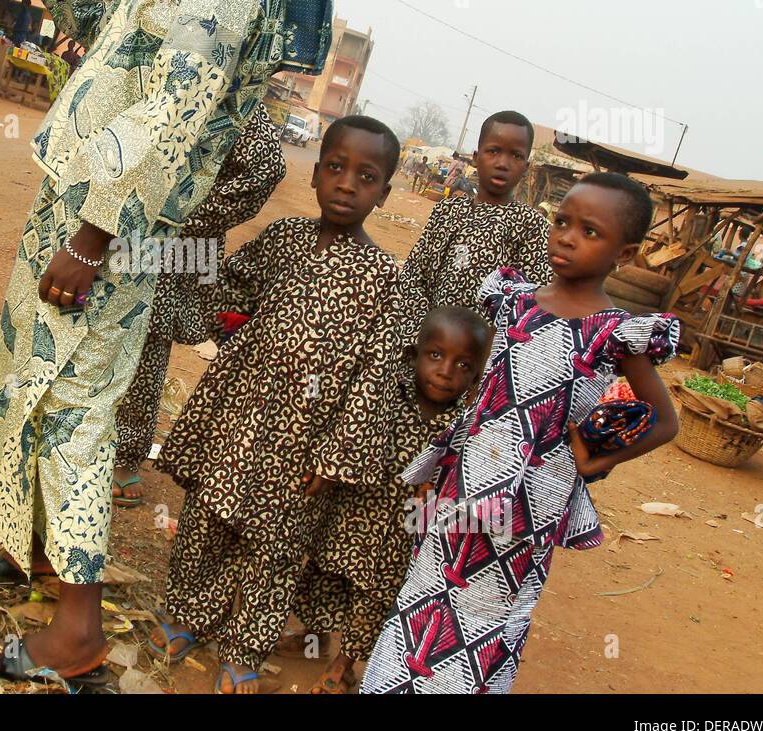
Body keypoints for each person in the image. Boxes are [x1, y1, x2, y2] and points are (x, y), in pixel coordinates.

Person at [0, 0, 337, 684]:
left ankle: (77, 631)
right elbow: (102, 41)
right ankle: (30, 553)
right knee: (36, 381)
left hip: (109, 227)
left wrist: (92, 239)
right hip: (79, 209)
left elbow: (164, 120)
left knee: (75, 413)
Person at [362, 172, 680, 693]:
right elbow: (483, 393)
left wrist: (598, 459)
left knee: (490, 623)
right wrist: (438, 464)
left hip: (531, 509)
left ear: (625, 254)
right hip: (463, 482)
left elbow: (664, 421)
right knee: (425, 598)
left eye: (590, 232)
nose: (567, 237)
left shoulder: (616, 331)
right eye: (562, 221)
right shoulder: (511, 298)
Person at [148, 116, 399, 694]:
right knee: (210, 514)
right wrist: (201, 298)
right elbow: (232, 285)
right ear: (316, 174)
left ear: (383, 193)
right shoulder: (284, 237)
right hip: (243, 407)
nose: (346, 184)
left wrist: (336, 456)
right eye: (335, 168)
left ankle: (244, 646)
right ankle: (190, 611)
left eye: (366, 176)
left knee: (277, 545)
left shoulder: (386, 278)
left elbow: (378, 374)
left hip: (310, 436)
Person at [294, 305, 492, 693]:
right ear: (414, 353)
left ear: (475, 376)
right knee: (325, 574)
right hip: (353, 513)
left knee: (374, 597)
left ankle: (344, 664)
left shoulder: (468, 423)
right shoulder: (386, 393)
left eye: (462, 365)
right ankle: (312, 638)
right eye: (436, 356)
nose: (445, 371)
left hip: (402, 535)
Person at [111, 102, 285, 506]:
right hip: (134, 224)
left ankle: (124, 456)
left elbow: (266, 169)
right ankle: (85, 436)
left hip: (183, 241)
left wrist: (191, 215)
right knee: (107, 319)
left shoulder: (236, 94)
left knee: (150, 340)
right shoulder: (165, 70)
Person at [400, 111, 551, 337]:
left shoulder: (533, 226)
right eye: (493, 151)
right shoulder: (447, 210)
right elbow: (413, 277)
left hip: (481, 358)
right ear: (475, 157)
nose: (503, 163)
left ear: (526, 167)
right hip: (425, 343)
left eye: (516, 156)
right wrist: (423, 334)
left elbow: (530, 307)